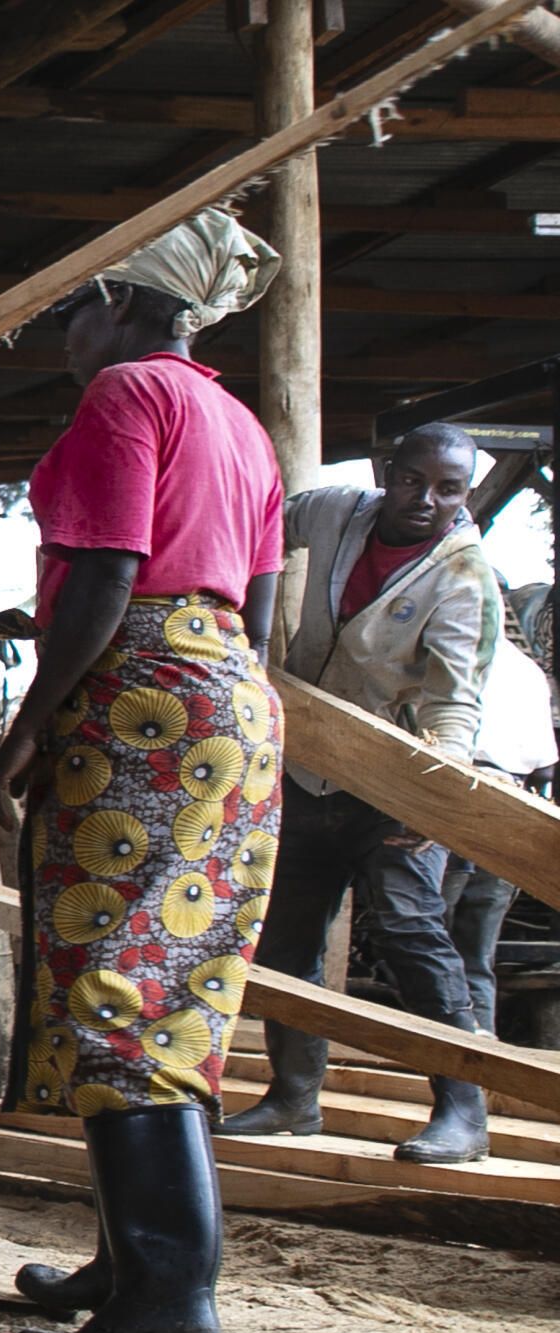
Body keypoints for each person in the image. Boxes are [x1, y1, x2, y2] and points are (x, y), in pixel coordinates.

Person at [0, 208, 284, 1333]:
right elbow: (253, 606)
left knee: (118, 981)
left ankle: (165, 1297)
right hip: (228, 693)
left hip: (139, 692)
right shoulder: (235, 417)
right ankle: (128, 1258)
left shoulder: (124, 395)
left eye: (74, 308)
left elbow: (106, 574)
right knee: (173, 973)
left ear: (117, 302)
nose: (65, 331)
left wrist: (30, 721)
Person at [214, 424, 501, 1163]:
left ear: (465, 493)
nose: (427, 501)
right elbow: (261, 515)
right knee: (286, 939)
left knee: (411, 934)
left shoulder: (464, 573)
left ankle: (463, 1111)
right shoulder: (339, 510)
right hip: (308, 765)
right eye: (413, 481)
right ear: (387, 471)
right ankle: (293, 1098)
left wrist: (431, 796)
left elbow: (454, 698)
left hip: (391, 781)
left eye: (449, 490)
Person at [438, 615, 555, 1037]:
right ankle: (479, 1043)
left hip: (454, 798)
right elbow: (546, 768)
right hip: (510, 808)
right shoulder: (529, 672)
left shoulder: (454, 655)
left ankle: (441, 1041)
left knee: (431, 936)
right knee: (476, 947)